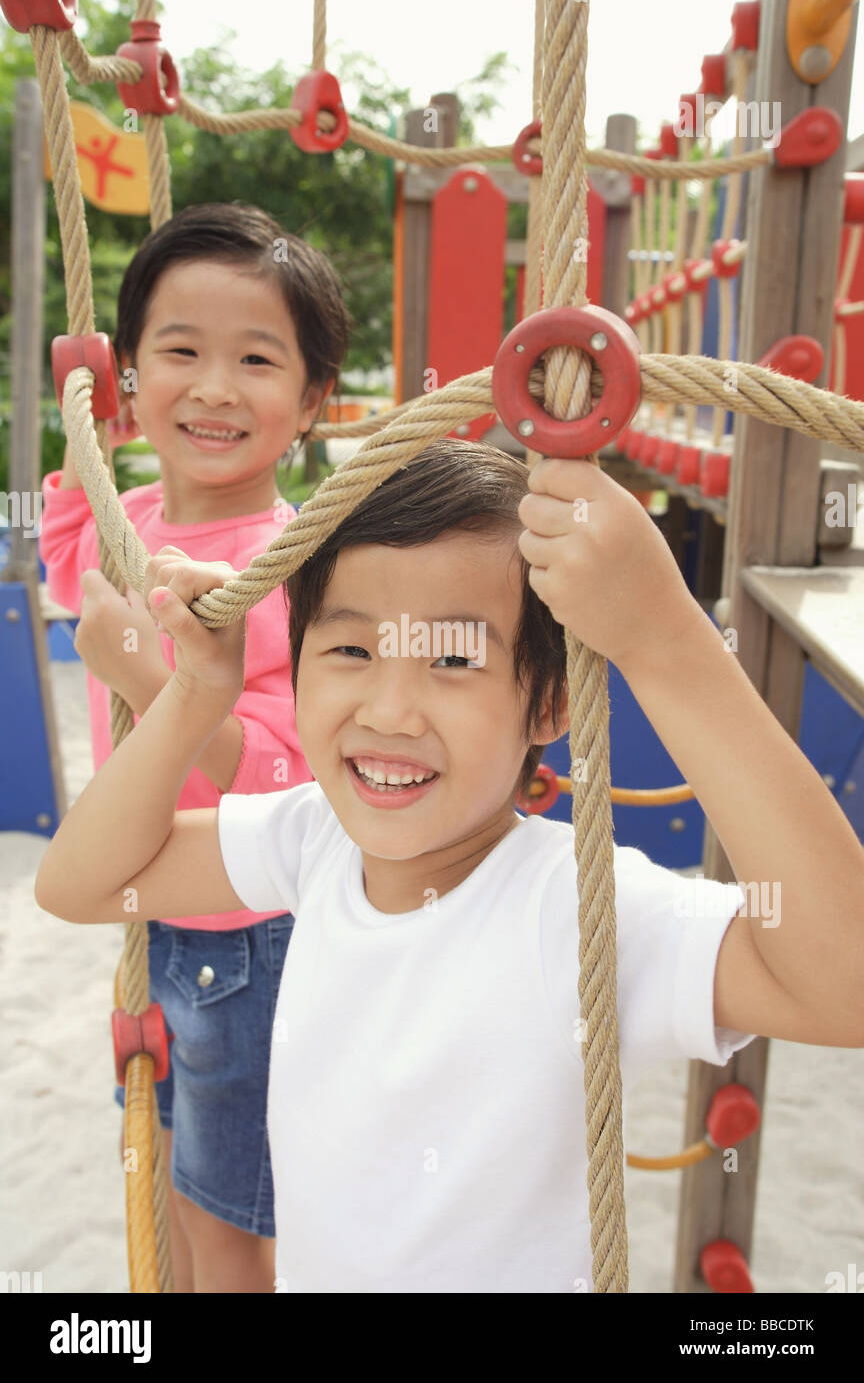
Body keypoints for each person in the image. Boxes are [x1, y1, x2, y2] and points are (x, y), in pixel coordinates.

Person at [35, 437, 864, 1294]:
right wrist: (194, 697)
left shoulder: (573, 907)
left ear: (546, 700)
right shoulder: (314, 840)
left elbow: (847, 986)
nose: (390, 711)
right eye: (351, 651)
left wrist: (664, 641)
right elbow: (81, 884)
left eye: (454, 660)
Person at [38, 201, 349, 1293]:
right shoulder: (127, 522)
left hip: (251, 937)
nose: (214, 387)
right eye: (179, 352)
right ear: (134, 375)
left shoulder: (296, 567)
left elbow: (287, 775)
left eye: (257, 360)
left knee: (230, 1223)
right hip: (160, 916)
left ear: (312, 400)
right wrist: (83, 418)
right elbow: (69, 562)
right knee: (163, 1167)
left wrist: (153, 681)